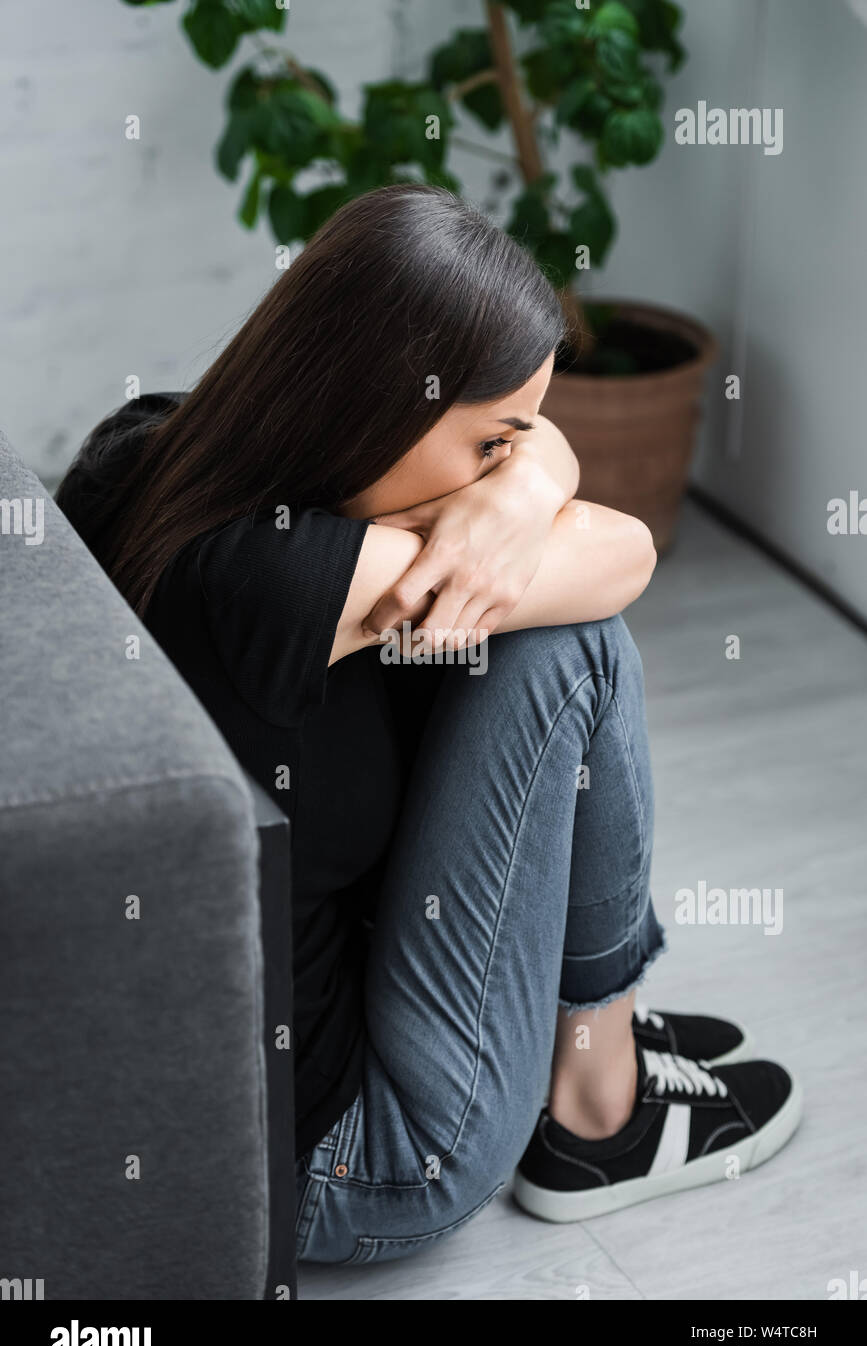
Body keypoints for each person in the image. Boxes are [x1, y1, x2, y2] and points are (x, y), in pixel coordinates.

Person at [57, 183, 801, 1266]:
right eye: (491, 441)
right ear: (381, 406)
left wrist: (511, 483)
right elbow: (624, 557)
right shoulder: (272, 580)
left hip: (262, 1056)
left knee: (515, 622)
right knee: (563, 643)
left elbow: (551, 464)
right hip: (352, 1163)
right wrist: (523, 500)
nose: (513, 461)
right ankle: (599, 1102)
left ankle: (592, 1046)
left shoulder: (154, 450)